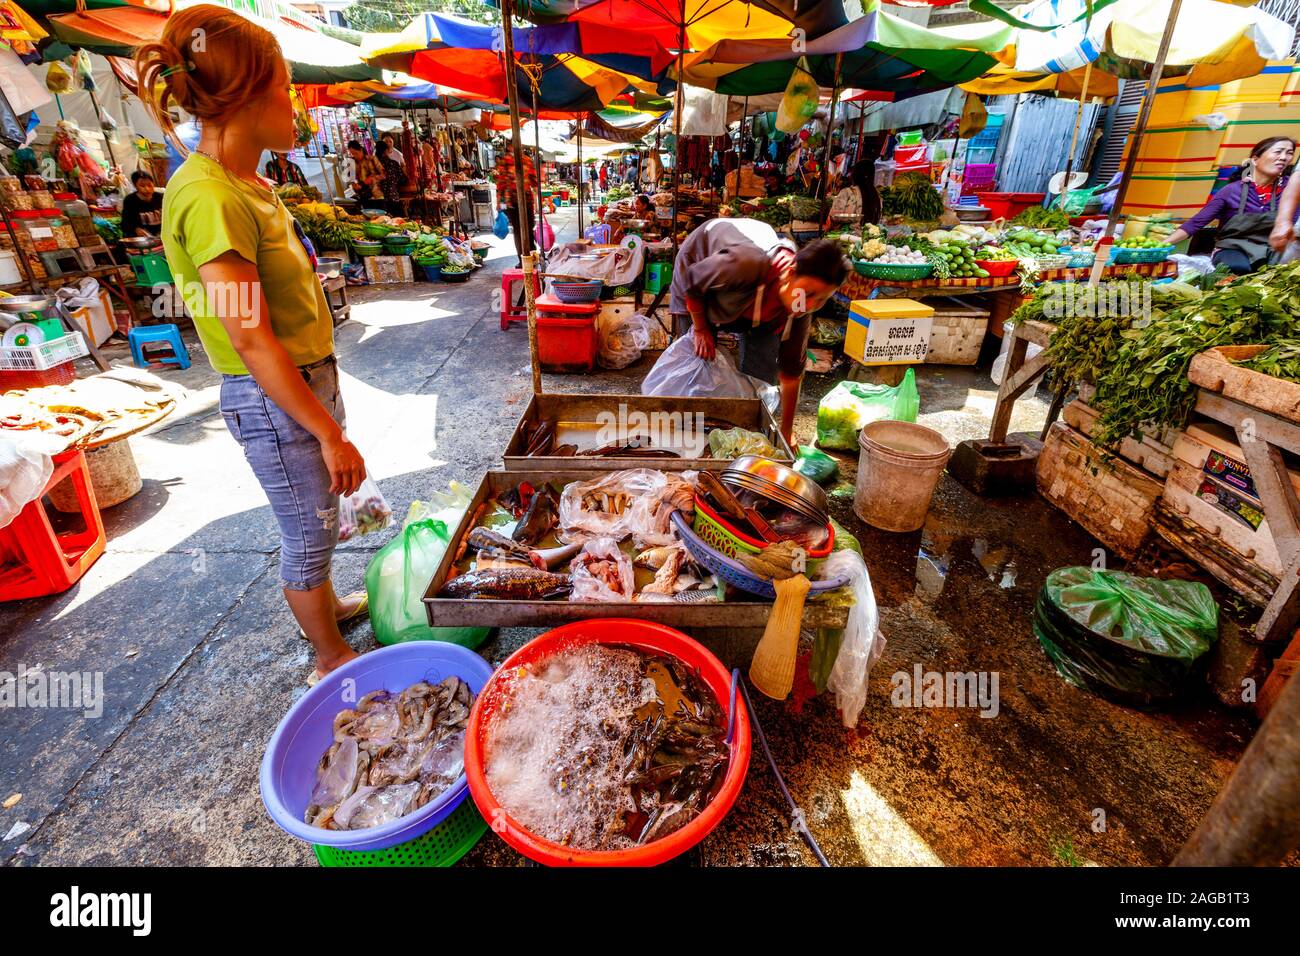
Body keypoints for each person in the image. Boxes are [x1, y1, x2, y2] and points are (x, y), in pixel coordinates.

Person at [138, 4, 368, 683]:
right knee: (306, 531)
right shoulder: (209, 197)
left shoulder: (248, 184)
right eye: (284, 88)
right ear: (245, 98)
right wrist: (329, 433)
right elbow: (249, 334)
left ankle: (327, 609)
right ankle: (330, 659)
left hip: (299, 382)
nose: (295, 103)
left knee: (320, 519)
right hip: (273, 396)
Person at [669, 218, 850, 441]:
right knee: (699, 363)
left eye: (822, 299)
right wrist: (700, 329)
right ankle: (687, 432)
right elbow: (693, 282)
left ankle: (743, 436)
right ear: (791, 272)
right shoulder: (745, 263)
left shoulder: (800, 306)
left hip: (753, 302)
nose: (811, 304)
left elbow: (791, 373)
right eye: (809, 294)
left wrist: (785, 430)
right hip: (700, 273)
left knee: (762, 375)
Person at [1167, 136, 1296, 274]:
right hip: (1234, 248)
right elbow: (1195, 223)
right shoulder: (1232, 190)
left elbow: (1295, 226)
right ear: (1255, 159)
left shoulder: (1291, 192)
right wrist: (1162, 245)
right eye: (1278, 151)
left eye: (1289, 153)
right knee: (1238, 268)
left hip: (1273, 250)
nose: (1284, 157)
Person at [495, 144, 538, 266]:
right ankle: (528, 258)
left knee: (521, 231)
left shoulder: (507, 161)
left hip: (517, 200)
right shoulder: (525, 160)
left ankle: (525, 259)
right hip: (520, 200)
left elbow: (501, 183)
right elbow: (534, 181)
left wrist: (499, 201)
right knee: (526, 230)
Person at [120, 169, 163, 237]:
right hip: (141, 239)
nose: (147, 189)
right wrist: (136, 229)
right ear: (135, 186)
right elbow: (125, 225)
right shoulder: (130, 200)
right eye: (142, 186)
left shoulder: (160, 197)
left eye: (149, 185)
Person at [346, 139, 382, 205]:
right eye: (352, 154)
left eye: (356, 153)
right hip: (362, 196)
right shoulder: (352, 163)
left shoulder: (372, 159)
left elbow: (383, 174)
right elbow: (351, 178)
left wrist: (373, 178)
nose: (354, 156)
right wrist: (354, 185)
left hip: (377, 195)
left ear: (361, 150)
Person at [375, 140, 406, 216]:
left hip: (378, 201)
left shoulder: (373, 165)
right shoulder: (393, 163)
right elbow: (403, 179)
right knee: (399, 221)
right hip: (393, 197)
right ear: (386, 151)